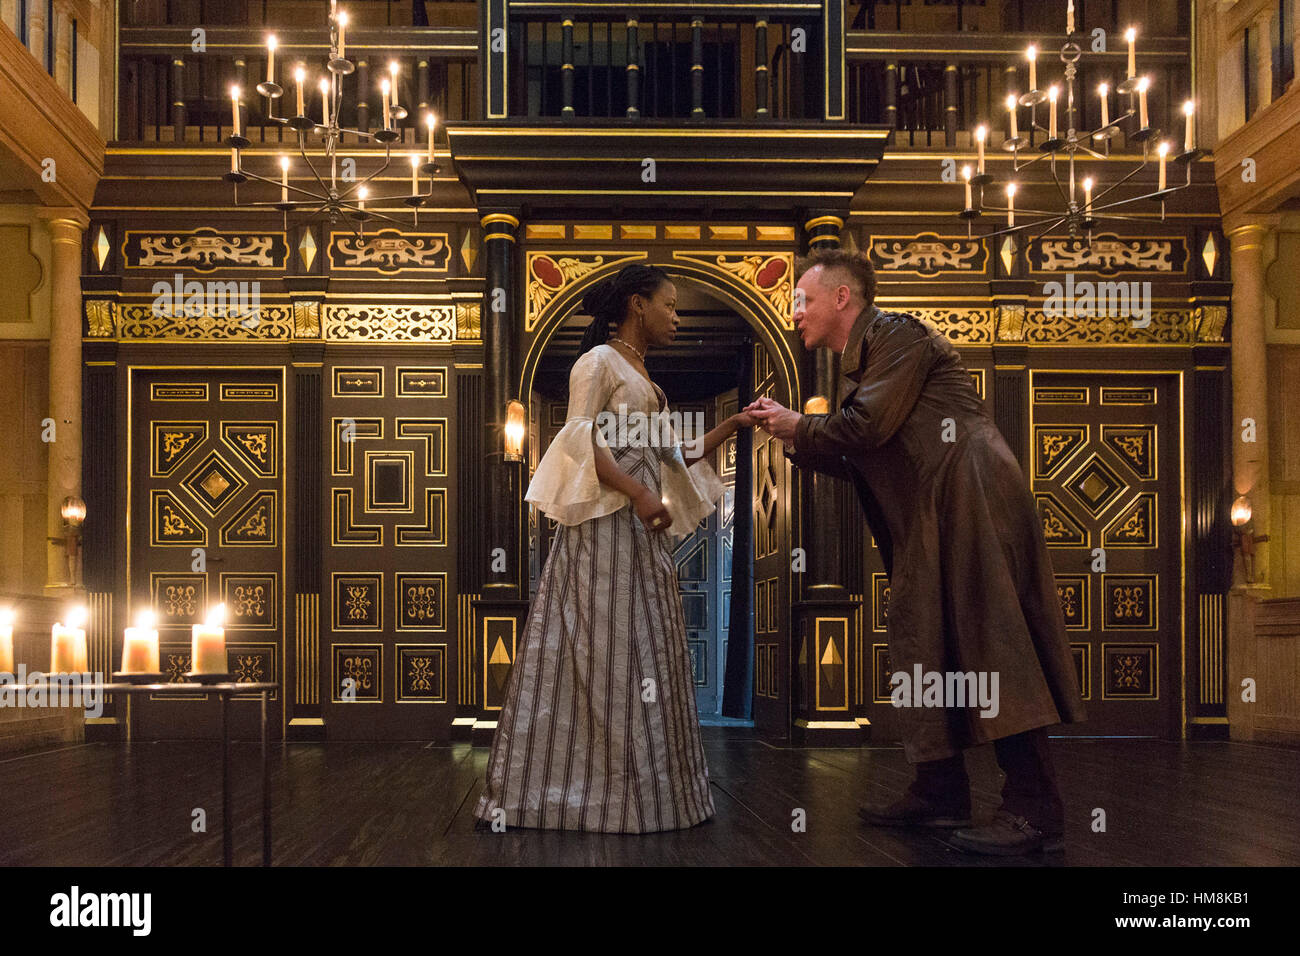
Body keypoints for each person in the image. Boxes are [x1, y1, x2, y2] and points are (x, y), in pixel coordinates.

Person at [747, 249, 1086, 856]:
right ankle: (940, 790)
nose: (795, 312)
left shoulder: (897, 335)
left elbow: (867, 429)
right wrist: (793, 436)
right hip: (937, 507)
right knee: (930, 644)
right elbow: (868, 453)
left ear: (842, 299)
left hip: (970, 497)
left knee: (994, 643)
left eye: (804, 299)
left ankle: (1036, 810)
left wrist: (800, 426)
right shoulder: (874, 359)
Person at [474, 264, 758, 833]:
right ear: (637, 304)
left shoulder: (645, 379)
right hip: (603, 529)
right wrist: (638, 492)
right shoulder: (598, 363)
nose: (677, 316)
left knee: (644, 650)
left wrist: (735, 425)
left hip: (636, 533)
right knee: (600, 648)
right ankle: (578, 793)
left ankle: (646, 793)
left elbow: (674, 453)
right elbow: (578, 440)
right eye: (670, 305)